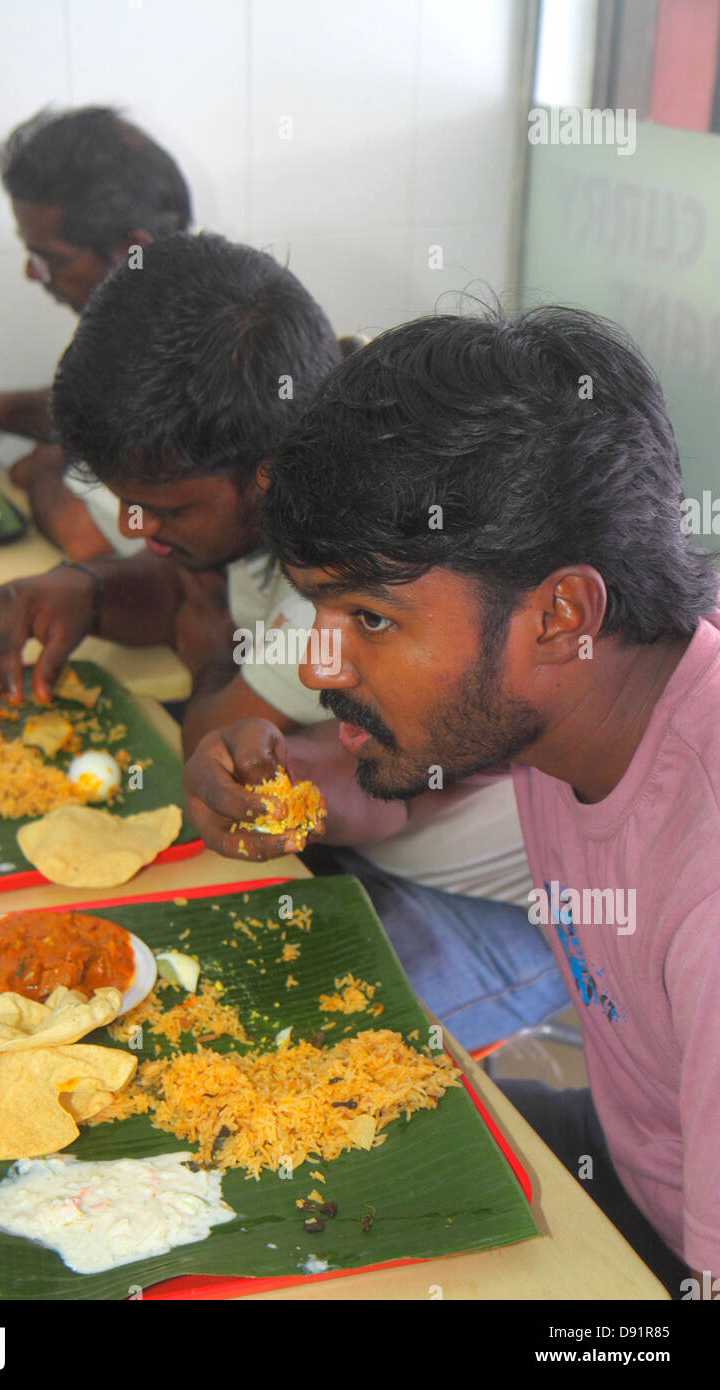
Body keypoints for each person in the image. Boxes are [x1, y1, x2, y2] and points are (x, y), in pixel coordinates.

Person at [181, 305, 720, 1296]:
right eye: (320, 607)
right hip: (622, 1153)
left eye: (370, 617)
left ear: (559, 613)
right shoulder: (590, 688)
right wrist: (281, 781)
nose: (318, 662)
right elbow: (401, 795)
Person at [0, 232, 567, 1050]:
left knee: (266, 1047)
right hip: (371, 839)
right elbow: (201, 596)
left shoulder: (378, 531)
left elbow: (237, 730)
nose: (138, 530)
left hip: (520, 911)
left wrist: (212, 659)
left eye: (167, 511)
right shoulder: (304, 427)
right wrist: (91, 588)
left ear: (269, 477)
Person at [0, 106, 192, 559]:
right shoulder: (145, 311)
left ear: (132, 250)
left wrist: (46, 471)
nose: (33, 273)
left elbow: (92, 539)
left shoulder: (212, 346)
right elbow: (104, 409)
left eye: (51, 258)